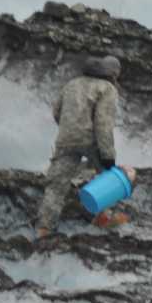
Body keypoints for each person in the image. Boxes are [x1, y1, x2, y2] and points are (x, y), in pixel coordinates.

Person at [34, 55, 133, 237]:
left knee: (56, 185)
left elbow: (56, 111)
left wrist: (69, 129)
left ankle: (44, 229)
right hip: (91, 140)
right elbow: (103, 123)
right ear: (113, 73)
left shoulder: (72, 84)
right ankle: (104, 216)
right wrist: (108, 155)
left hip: (66, 138)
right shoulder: (107, 88)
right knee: (109, 176)